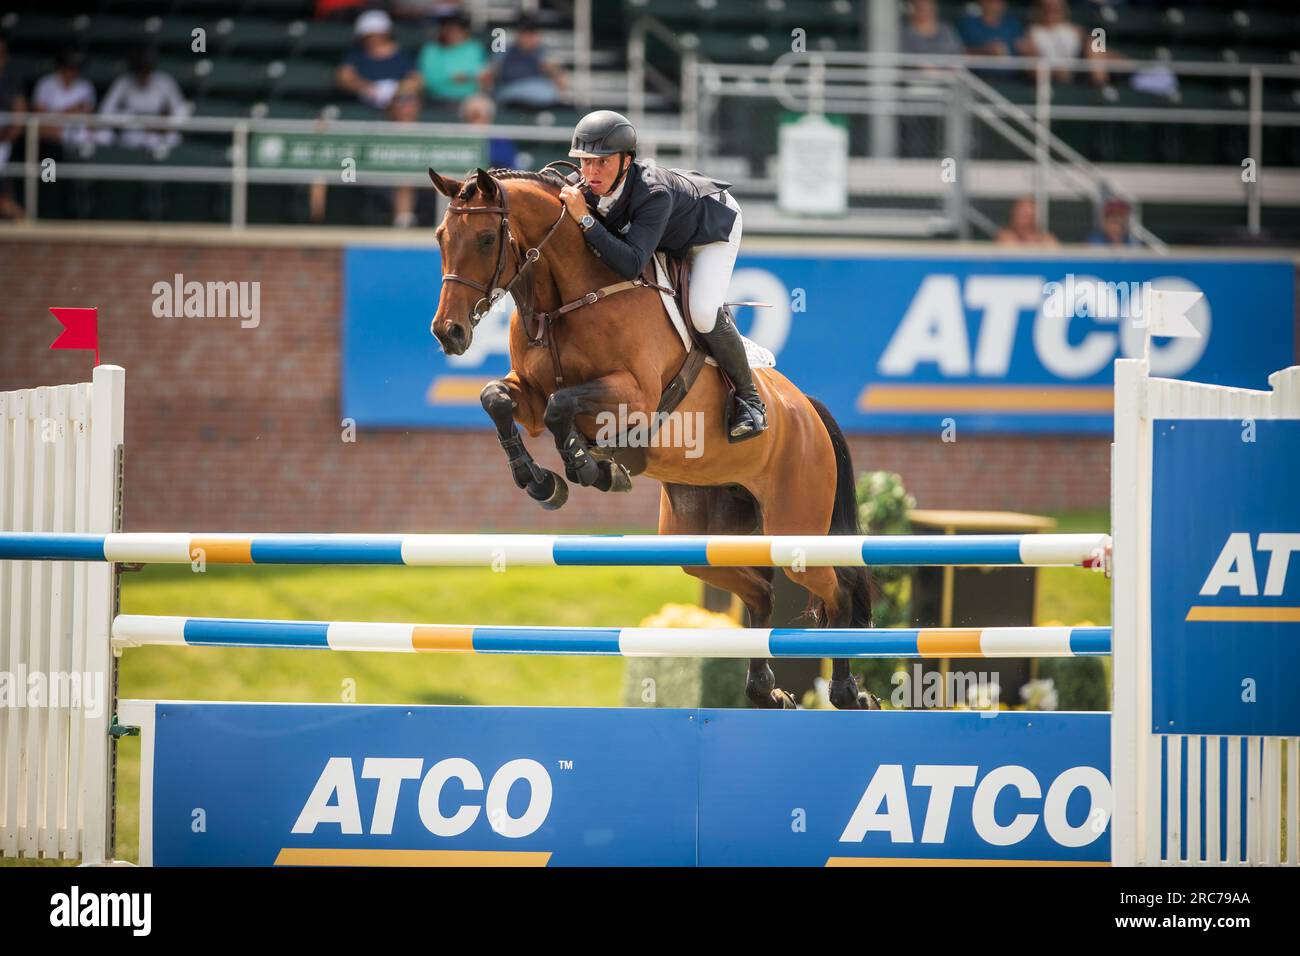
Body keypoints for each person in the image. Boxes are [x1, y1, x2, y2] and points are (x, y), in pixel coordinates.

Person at [557, 110, 767, 441]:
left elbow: (630, 263)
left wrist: (585, 220)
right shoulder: (581, 186)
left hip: (711, 229)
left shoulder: (653, 193)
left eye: (602, 162)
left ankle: (751, 401)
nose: (591, 172)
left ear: (627, 161)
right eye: (585, 161)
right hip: (664, 233)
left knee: (701, 313)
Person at [99, 45, 188, 150]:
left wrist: (163, 122)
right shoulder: (123, 82)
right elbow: (104, 112)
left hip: (158, 133)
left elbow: (182, 111)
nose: (144, 76)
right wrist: (130, 118)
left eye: (147, 72)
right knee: (105, 135)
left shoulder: (164, 81)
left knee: (173, 138)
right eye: (140, 72)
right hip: (132, 133)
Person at [336, 9, 421, 111]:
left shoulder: (403, 56)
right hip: (363, 107)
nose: (373, 39)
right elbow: (344, 77)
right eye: (368, 36)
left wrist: (394, 92)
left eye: (375, 35)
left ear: (385, 34)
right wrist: (366, 88)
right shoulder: (355, 55)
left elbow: (416, 80)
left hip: (397, 107)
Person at [481, 15, 567, 109]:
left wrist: (552, 70)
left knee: (549, 92)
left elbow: (562, 84)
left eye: (532, 32)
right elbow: (486, 77)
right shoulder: (504, 52)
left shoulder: (543, 54)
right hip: (510, 96)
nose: (528, 37)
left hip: (540, 97)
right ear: (519, 33)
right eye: (525, 32)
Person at [33, 48, 97, 152]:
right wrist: (71, 110)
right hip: (50, 134)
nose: (73, 71)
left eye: (76, 67)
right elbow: (40, 120)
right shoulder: (45, 84)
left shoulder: (86, 86)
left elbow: (88, 120)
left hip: (76, 131)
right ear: (61, 66)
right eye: (70, 66)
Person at [417, 11, 485, 103]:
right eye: (447, 28)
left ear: (464, 31)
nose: (450, 33)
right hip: (435, 99)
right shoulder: (430, 50)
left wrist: (469, 76)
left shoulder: (475, 48)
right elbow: (428, 78)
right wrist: (452, 79)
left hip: (468, 100)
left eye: (454, 29)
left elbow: (482, 73)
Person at [0, 35, 27, 219]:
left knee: (5, 202)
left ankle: (24, 223)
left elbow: (18, 123)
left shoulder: (12, 82)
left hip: (3, 143)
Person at [459, 93, 517, 169]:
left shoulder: (500, 140)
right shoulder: (456, 139)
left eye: (476, 116)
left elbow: (505, 164)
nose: (471, 121)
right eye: (467, 117)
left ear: (488, 118)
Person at [957, 0, 1026, 61]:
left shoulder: (1013, 24)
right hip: (975, 73)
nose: (996, 4)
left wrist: (1027, 50)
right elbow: (959, 52)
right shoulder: (968, 24)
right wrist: (986, 50)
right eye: (992, 2)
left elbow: (1023, 50)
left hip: (1011, 73)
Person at [995, 196, 1059, 247]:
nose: (1024, 220)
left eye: (1028, 216)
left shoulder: (1045, 239)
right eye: (1020, 214)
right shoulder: (1006, 236)